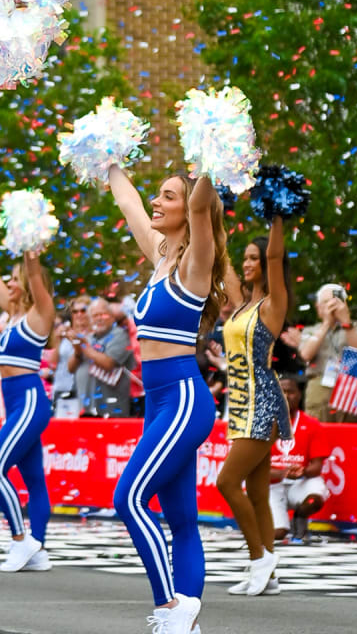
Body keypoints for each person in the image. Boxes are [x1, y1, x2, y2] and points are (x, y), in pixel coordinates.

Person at [105, 165, 227, 634]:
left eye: (167, 197)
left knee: (129, 498)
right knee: (181, 519)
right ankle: (186, 621)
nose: (156, 202)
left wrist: (211, 160)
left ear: (189, 209)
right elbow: (128, 204)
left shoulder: (198, 259)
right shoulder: (160, 255)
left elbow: (201, 205)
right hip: (159, 401)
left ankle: (171, 606)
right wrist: (108, 158)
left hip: (182, 399)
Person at [216, 225, 292, 596]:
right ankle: (269, 575)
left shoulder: (272, 304)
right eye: (244, 257)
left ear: (264, 263)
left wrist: (278, 215)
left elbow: (276, 256)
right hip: (240, 403)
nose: (246, 263)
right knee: (258, 494)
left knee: (226, 483)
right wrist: (211, 219)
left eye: (252, 258)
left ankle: (259, 558)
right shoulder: (242, 304)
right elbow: (223, 261)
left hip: (262, 403)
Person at [0, 248, 56, 573]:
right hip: (15, 404)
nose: (8, 283)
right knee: (34, 479)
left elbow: (35, 276)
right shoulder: (11, 312)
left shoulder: (41, 312)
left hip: (30, 401)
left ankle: (21, 539)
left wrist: (29, 247)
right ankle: (38, 550)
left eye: (14, 278)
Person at [268, 375, 329, 544]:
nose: (286, 396)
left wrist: (301, 471)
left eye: (291, 392)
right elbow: (257, 470)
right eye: (282, 392)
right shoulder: (263, 425)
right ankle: (277, 525)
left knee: (314, 499)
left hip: (300, 481)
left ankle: (300, 517)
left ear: (300, 394)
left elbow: (317, 467)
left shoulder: (312, 424)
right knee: (278, 534)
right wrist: (283, 473)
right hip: (272, 486)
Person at [297, 283, 357, 422]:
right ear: (318, 308)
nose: (333, 306)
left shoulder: (356, 327)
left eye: (338, 302)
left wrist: (346, 322)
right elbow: (305, 355)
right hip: (319, 390)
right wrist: (326, 324)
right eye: (327, 303)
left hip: (349, 392)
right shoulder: (311, 330)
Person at [68, 298, 135, 418]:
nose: (99, 318)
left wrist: (84, 346)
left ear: (112, 317)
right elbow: (71, 369)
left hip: (111, 409)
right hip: (86, 408)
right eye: (95, 315)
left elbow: (109, 363)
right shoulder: (89, 337)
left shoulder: (119, 335)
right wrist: (77, 349)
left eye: (103, 314)